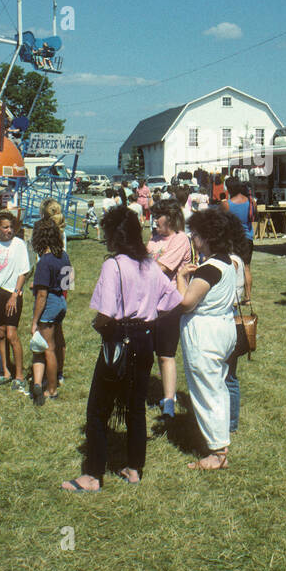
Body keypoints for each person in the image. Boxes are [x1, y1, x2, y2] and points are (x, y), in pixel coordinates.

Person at [62, 207, 180, 492]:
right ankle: (134, 468)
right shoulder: (151, 265)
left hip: (120, 339)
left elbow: (107, 314)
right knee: (135, 407)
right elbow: (173, 299)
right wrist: (149, 314)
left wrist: (98, 325)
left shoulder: (113, 266)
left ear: (114, 236)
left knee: (98, 407)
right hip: (146, 339)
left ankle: (92, 475)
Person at [174, 208, 240, 470]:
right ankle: (220, 441)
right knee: (218, 387)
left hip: (205, 334)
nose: (194, 240)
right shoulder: (227, 262)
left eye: (196, 235)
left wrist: (181, 278)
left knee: (206, 391)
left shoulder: (208, 269)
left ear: (207, 237)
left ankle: (217, 453)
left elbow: (186, 303)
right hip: (223, 329)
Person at [147, 199, 191, 417]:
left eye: (159, 217)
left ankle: (169, 401)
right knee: (151, 352)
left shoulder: (181, 239)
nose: (154, 221)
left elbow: (161, 267)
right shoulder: (155, 238)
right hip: (150, 303)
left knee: (166, 354)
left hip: (170, 305)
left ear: (171, 219)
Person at [0, 211, 31, 390]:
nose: (9, 230)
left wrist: (14, 294)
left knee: (12, 334)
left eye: (11, 227)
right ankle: (5, 371)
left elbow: (23, 272)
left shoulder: (19, 245)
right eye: (5, 227)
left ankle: (19, 375)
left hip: (13, 293)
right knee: (1, 333)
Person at [223, 212, 253, 435]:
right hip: (229, 311)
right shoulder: (237, 259)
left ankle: (231, 422)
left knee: (229, 374)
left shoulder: (230, 261)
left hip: (228, 315)